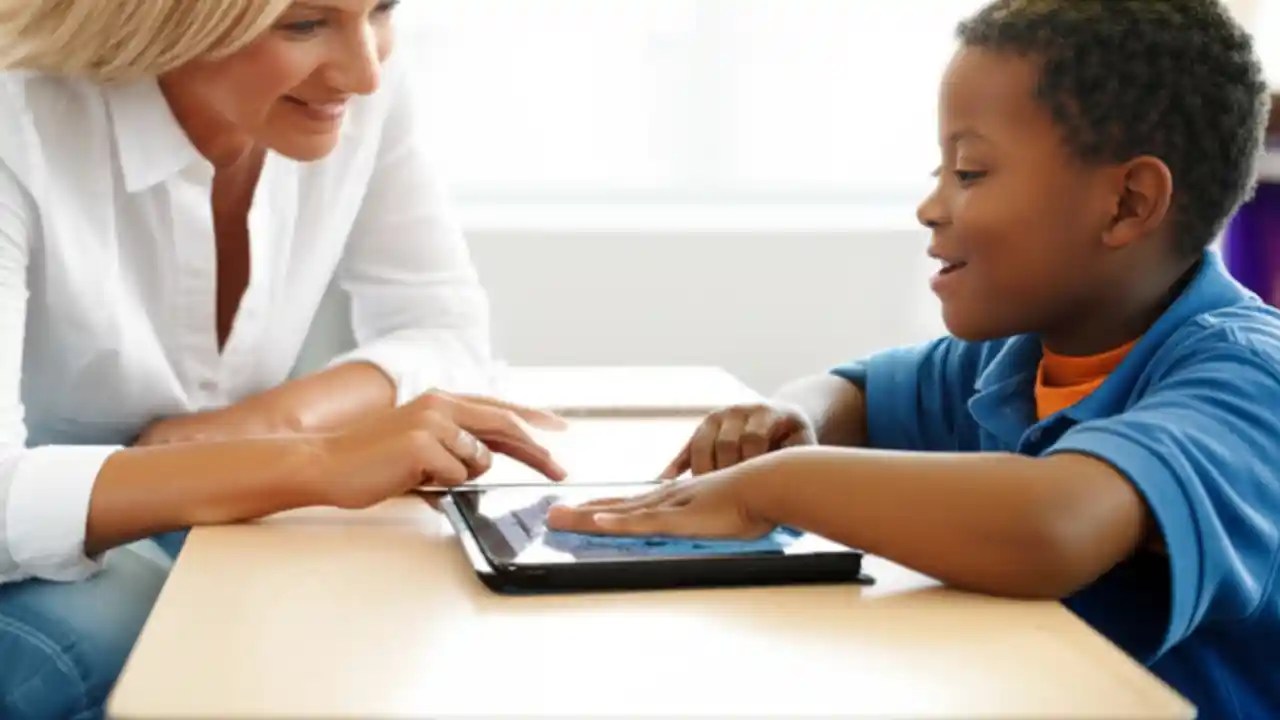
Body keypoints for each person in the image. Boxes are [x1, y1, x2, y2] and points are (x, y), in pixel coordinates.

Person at [549, 1, 1280, 716]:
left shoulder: (1248, 377)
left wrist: (774, 483)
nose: (930, 207)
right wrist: (791, 417)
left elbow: (1055, 524)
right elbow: (857, 392)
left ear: (1126, 203)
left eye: (968, 173)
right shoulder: (1016, 358)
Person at [0, 1, 566, 717]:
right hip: (39, 540)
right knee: (126, 635)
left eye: (383, 10)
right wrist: (314, 460)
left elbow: (446, 332)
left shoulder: (357, 94)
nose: (364, 73)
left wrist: (273, 419)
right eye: (302, 25)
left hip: (202, 514)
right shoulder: (16, 125)